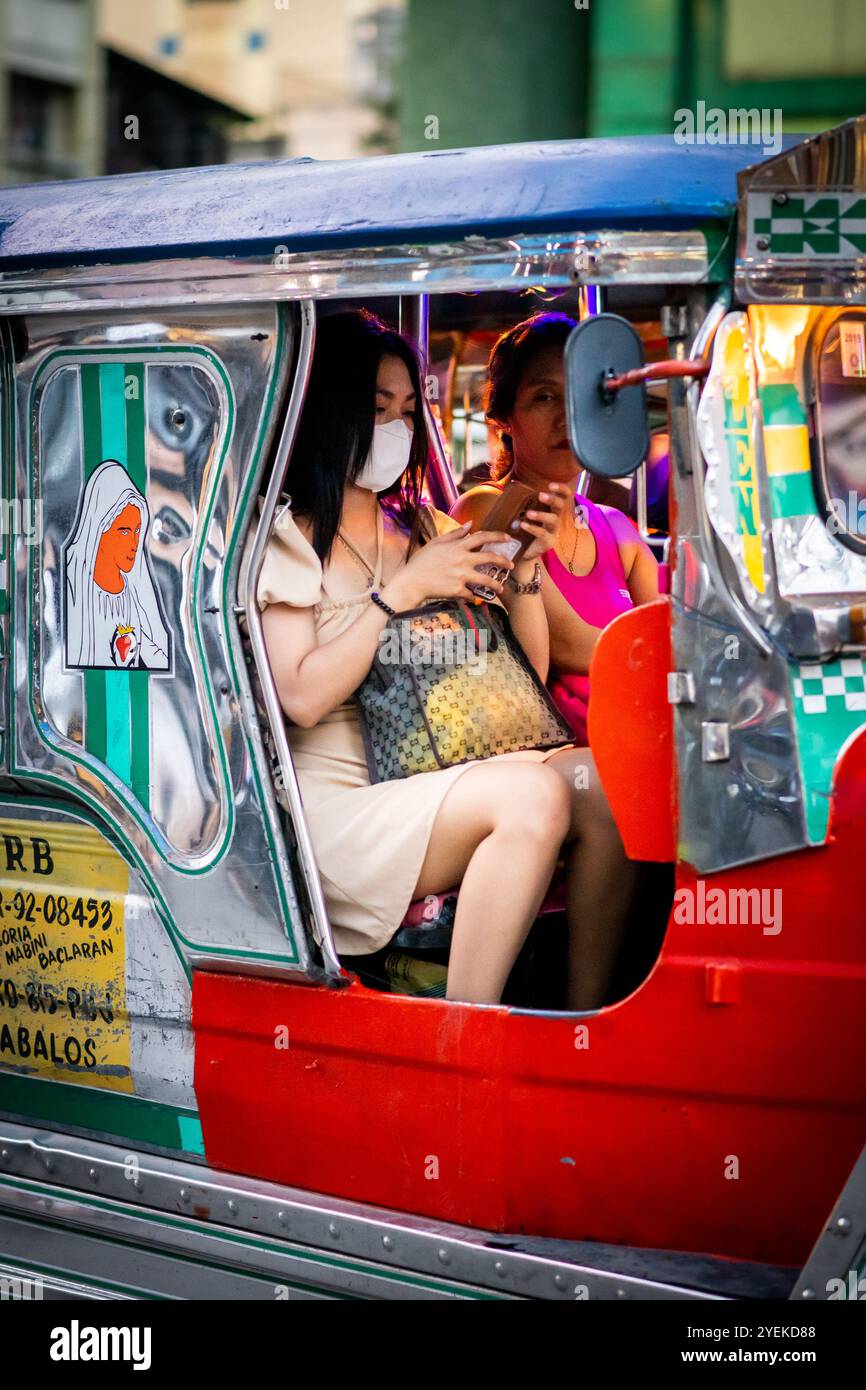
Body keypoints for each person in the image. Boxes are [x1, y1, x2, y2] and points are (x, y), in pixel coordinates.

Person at [254, 309, 632, 1009]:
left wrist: (526, 568)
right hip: (343, 809)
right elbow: (301, 698)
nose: (396, 429)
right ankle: (467, 1037)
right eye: (376, 410)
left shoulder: (425, 526)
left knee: (601, 781)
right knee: (535, 795)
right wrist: (398, 595)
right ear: (333, 414)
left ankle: (584, 1016)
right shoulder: (289, 541)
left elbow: (524, 671)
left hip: (442, 768)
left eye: (406, 409)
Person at [452, 312, 658, 745]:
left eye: (581, 398)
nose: (567, 418)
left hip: (638, 737)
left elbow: (661, 637)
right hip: (554, 757)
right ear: (503, 417)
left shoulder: (617, 528)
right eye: (545, 398)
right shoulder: (485, 508)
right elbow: (571, 646)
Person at [63, 459, 171, 671]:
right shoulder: (71, 584)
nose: (134, 544)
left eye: (137, 531)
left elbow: (151, 649)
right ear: (99, 528)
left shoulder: (131, 594)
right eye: (124, 531)